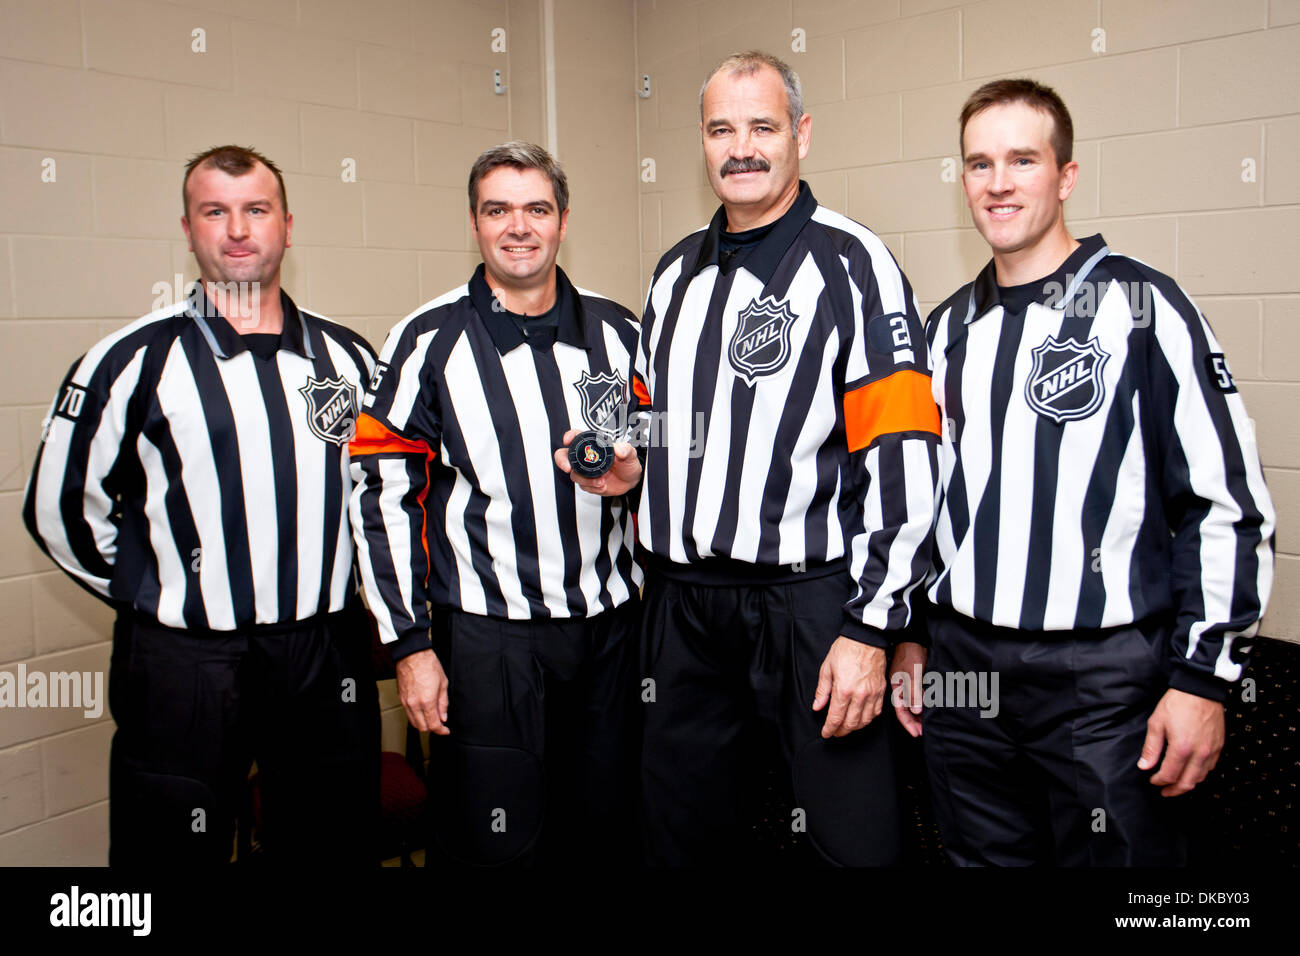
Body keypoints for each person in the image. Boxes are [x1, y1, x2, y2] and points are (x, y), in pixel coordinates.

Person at [556, 52, 940, 866]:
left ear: (800, 134)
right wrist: (629, 473)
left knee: (853, 842)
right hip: (684, 608)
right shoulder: (673, 275)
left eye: (762, 127)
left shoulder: (854, 264)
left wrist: (873, 628)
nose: (741, 148)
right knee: (681, 836)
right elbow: (661, 424)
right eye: (721, 129)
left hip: (809, 603)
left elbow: (907, 455)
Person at [890, 78, 1276, 865]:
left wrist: (1204, 679)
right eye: (979, 163)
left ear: (1065, 176)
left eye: (1022, 160)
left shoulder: (1145, 307)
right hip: (965, 668)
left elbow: (1225, 502)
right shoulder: (946, 330)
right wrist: (913, 640)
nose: (998, 183)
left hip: (1102, 677)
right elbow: (928, 500)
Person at [22, 145, 380, 866]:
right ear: (188, 229)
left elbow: (383, 498)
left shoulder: (351, 360)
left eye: (256, 210)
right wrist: (157, 590)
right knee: (169, 849)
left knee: (330, 845)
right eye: (215, 211)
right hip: (185, 659)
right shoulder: (128, 362)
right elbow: (60, 511)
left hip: (322, 651)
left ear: (287, 225)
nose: (238, 230)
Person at [348, 142, 643, 867]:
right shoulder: (425, 341)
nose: (519, 227)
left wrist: (641, 474)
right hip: (488, 642)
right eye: (498, 210)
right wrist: (410, 648)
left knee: (605, 829)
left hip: (609, 636)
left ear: (563, 220)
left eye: (536, 208)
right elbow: (381, 497)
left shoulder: (621, 332)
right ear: (476, 224)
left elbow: (663, 459)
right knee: (497, 842)